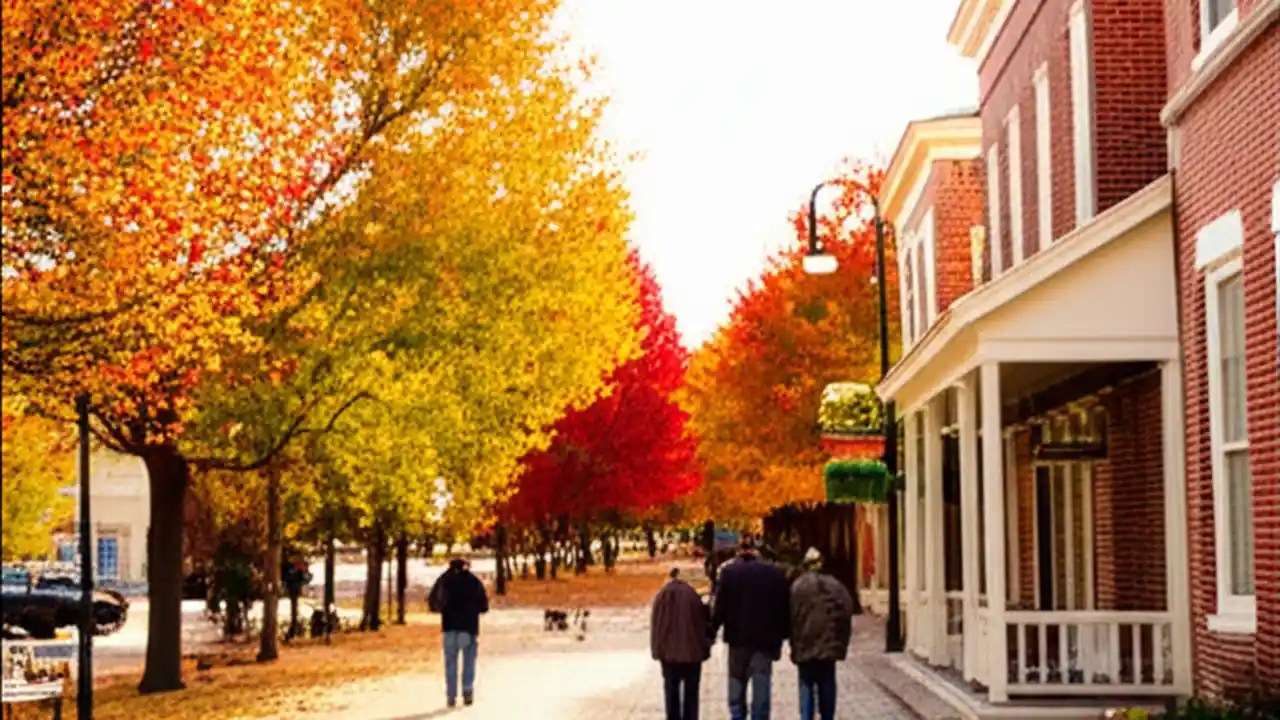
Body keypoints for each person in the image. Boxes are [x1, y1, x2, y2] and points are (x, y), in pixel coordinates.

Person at [710, 540, 790, 720]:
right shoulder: (775, 574)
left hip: (738, 640)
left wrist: (712, 630)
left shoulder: (729, 574)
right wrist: (784, 635)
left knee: (737, 683)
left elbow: (720, 608)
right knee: (761, 684)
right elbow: (783, 608)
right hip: (765, 641)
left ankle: (737, 716)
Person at [789, 548, 854, 720]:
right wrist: (840, 641)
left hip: (805, 644)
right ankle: (827, 716)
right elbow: (846, 611)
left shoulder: (797, 586)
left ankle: (806, 716)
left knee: (806, 683)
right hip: (828, 646)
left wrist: (793, 641)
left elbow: (789, 616)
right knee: (827, 682)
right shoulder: (836, 586)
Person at [427, 557, 489, 708]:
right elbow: (484, 606)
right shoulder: (473, 581)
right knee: (468, 661)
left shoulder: (444, 580)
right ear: (466, 566)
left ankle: (451, 695)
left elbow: (432, 602)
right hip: (468, 627)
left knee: (450, 663)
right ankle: (467, 690)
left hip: (449, 627)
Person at [650, 567, 711, 720]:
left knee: (671, 691)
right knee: (691, 692)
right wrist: (705, 647)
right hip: (692, 653)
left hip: (668, 654)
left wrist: (657, 649)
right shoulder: (692, 596)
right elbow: (702, 624)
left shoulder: (661, 595)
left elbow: (656, 625)